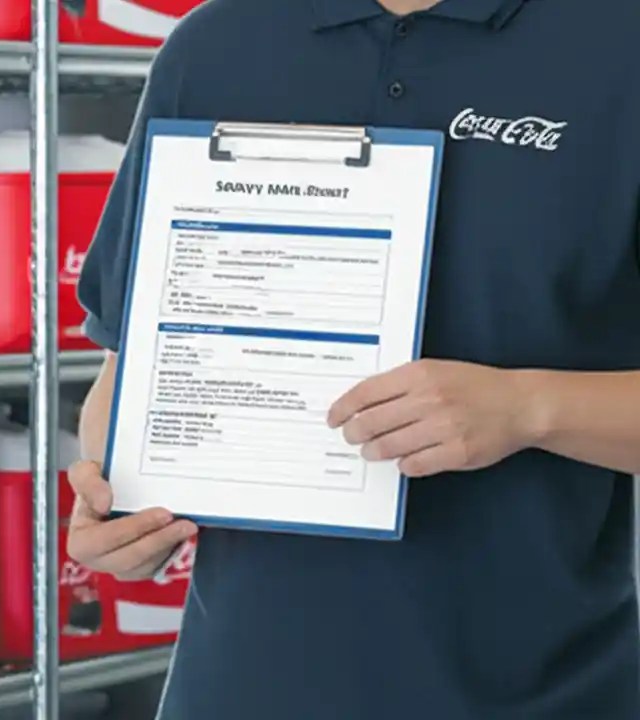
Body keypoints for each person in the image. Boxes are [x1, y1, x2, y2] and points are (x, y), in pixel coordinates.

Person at [68, 0, 640, 718]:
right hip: (241, 688)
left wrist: (528, 409)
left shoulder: (617, 43)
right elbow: (131, 371)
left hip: (541, 691)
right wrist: (116, 498)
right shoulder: (215, 45)